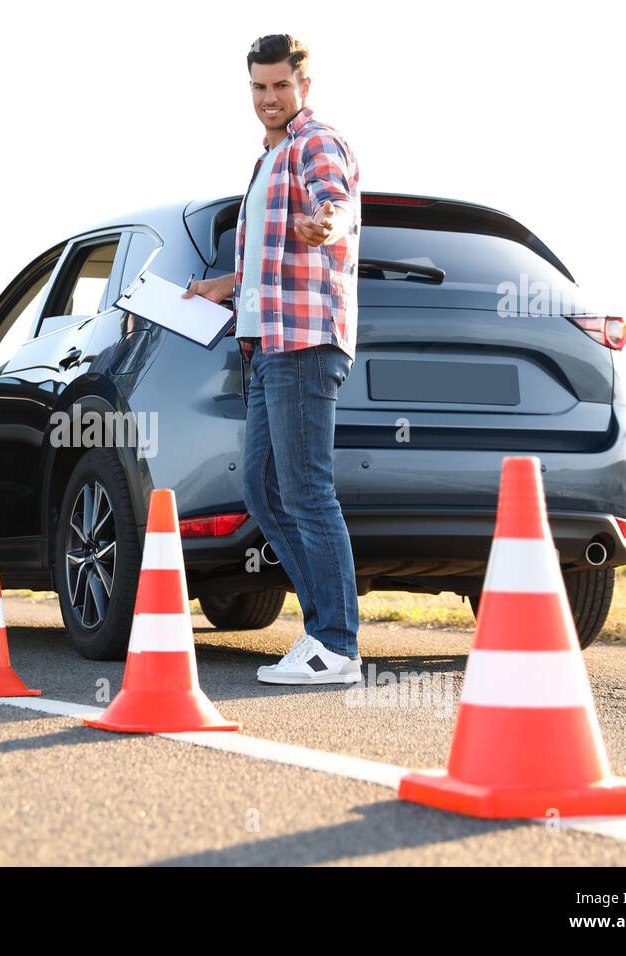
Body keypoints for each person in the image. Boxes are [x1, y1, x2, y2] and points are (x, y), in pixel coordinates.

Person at [184, 35, 362, 685]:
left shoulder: (315, 143)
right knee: (263, 487)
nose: (269, 98)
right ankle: (324, 631)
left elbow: (332, 200)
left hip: (304, 342)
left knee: (307, 490)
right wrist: (222, 287)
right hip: (266, 346)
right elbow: (265, 260)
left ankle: (335, 642)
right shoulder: (269, 157)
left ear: (304, 87)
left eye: (280, 86)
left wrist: (329, 222)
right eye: (259, 87)